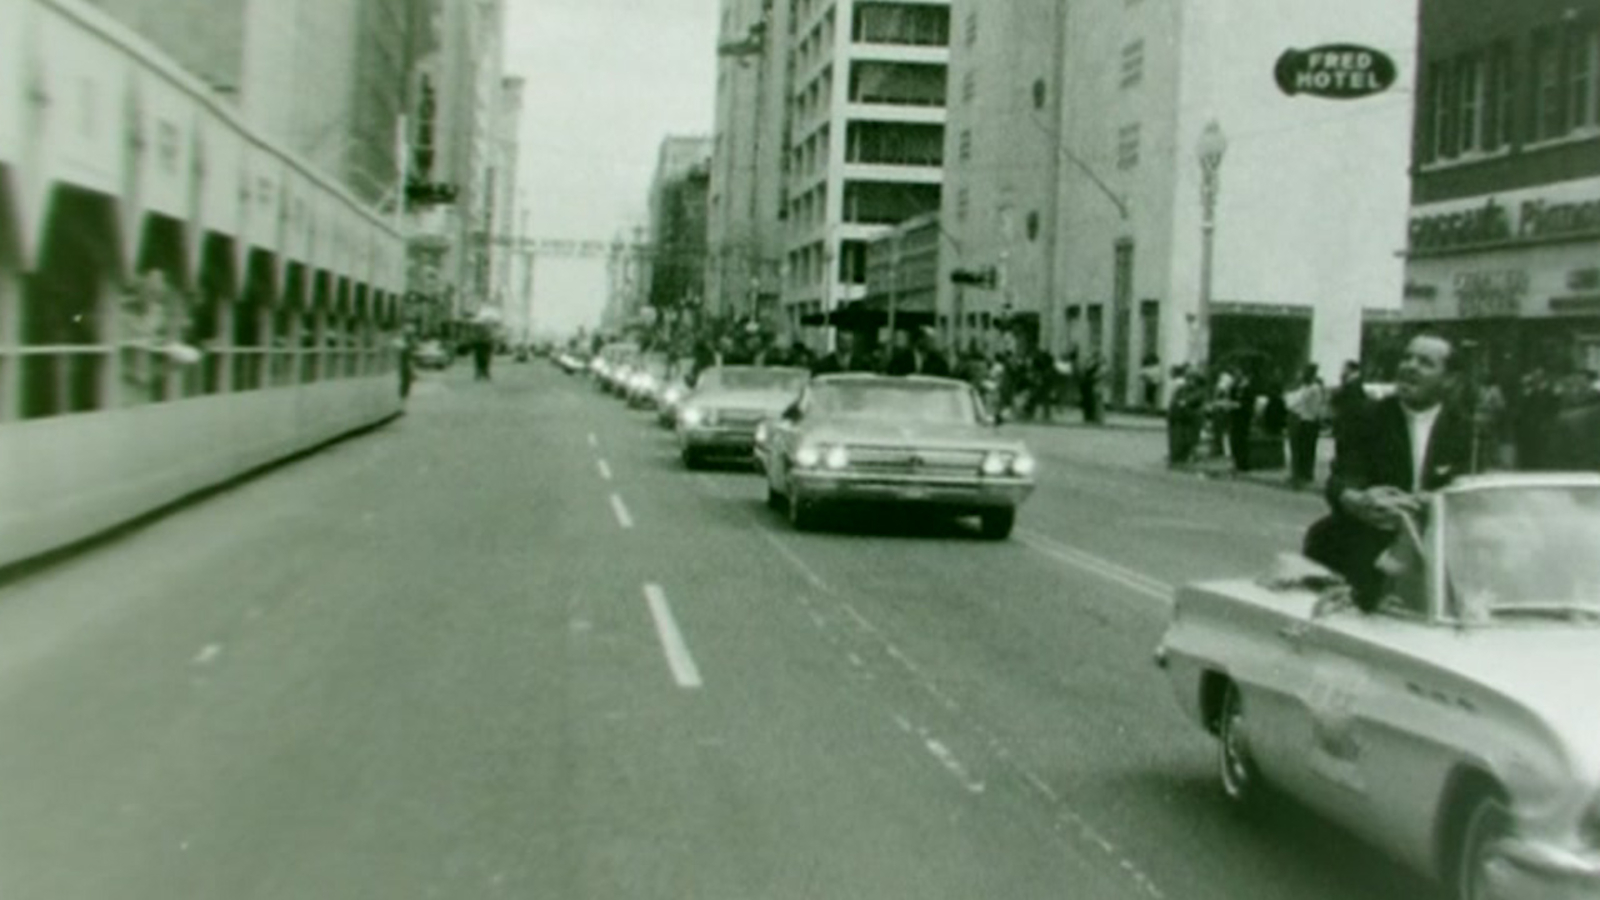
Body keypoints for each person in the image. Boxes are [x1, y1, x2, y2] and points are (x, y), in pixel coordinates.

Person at [1303, 333, 1473, 611]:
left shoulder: (1465, 428)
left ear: (1449, 380)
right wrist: (1356, 498)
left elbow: (1472, 491)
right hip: (1365, 551)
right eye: (1407, 358)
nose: (1410, 366)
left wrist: (1434, 501)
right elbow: (1342, 477)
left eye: (1425, 363)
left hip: (1436, 556)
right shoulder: (1366, 416)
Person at [1285, 364, 1328, 486]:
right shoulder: (1309, 387)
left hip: (1308, 421)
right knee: (1305, 449)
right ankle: (1303, 473)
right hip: (1306, 420)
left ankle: (1303, 474)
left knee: (1305, 450)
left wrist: (1290, 396)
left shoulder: (1313, 388)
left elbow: (1295, 402)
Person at [1328, 360, 1367, 455]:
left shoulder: (1352, 385)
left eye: (1344, 368)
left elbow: (1346, 402)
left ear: (1350, 369)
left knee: (1345, 451)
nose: (1342, 371)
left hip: (1347, 425)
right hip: (1346, 424)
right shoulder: (1352, 384)